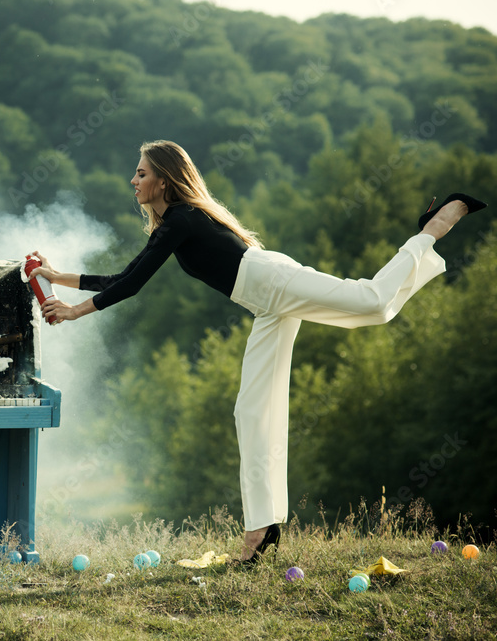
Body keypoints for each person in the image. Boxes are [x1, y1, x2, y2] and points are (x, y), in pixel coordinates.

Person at [28, 139, 486, 565]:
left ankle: (434, 225)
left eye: (141, 172)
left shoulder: (181, 219)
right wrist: (57, 275)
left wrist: (73, 312)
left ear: (163, 180)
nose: (134, 180)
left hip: (273, 282)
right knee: (252, 411)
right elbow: (125, 275)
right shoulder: (174, 224)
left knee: (371, 303)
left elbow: (129, 286)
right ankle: (262, 531)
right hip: (263, 302)